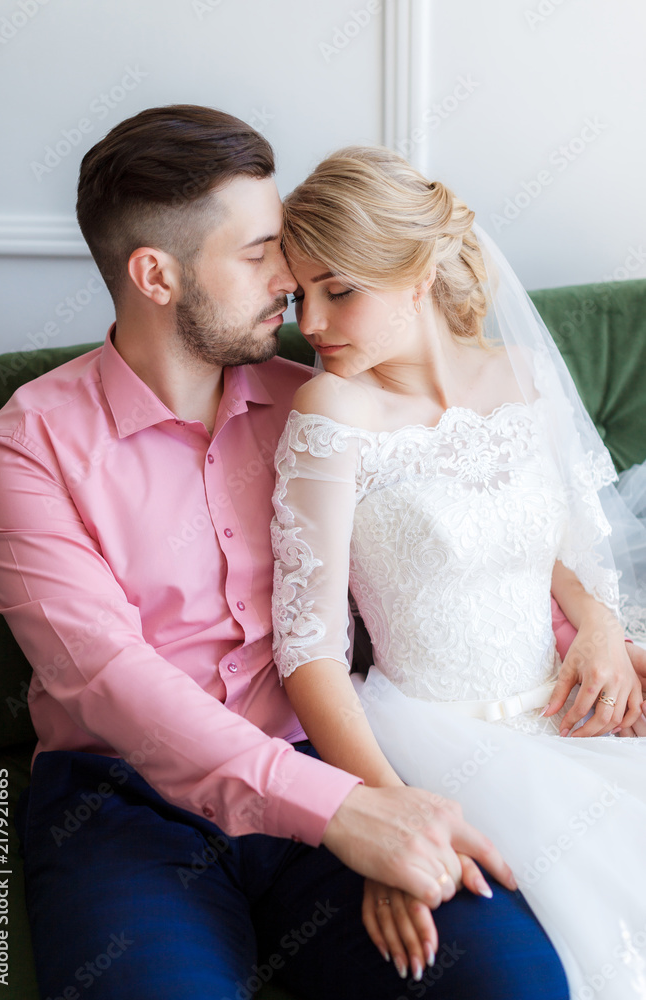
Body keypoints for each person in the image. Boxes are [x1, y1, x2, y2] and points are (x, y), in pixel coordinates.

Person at [0, 107, 572, 1000]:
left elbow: (474, 519)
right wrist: (349, 815)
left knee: (514, 983)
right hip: (129, 806)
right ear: (156, 275)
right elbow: (109, 681)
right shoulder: (25, 449)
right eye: (259, 254)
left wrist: (594, 622)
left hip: (326, 762)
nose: (288, 280)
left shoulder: (324, 403)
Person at [272, 145, 646, 999]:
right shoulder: (333, 411)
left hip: (566, 713)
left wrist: (596, 626)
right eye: (298, 296)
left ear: (418, 272)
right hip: (436, 737)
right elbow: (306, 647)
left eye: (339, 289)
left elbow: (564, 542)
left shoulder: (518, 379)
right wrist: (383, 808)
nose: (311, 323)